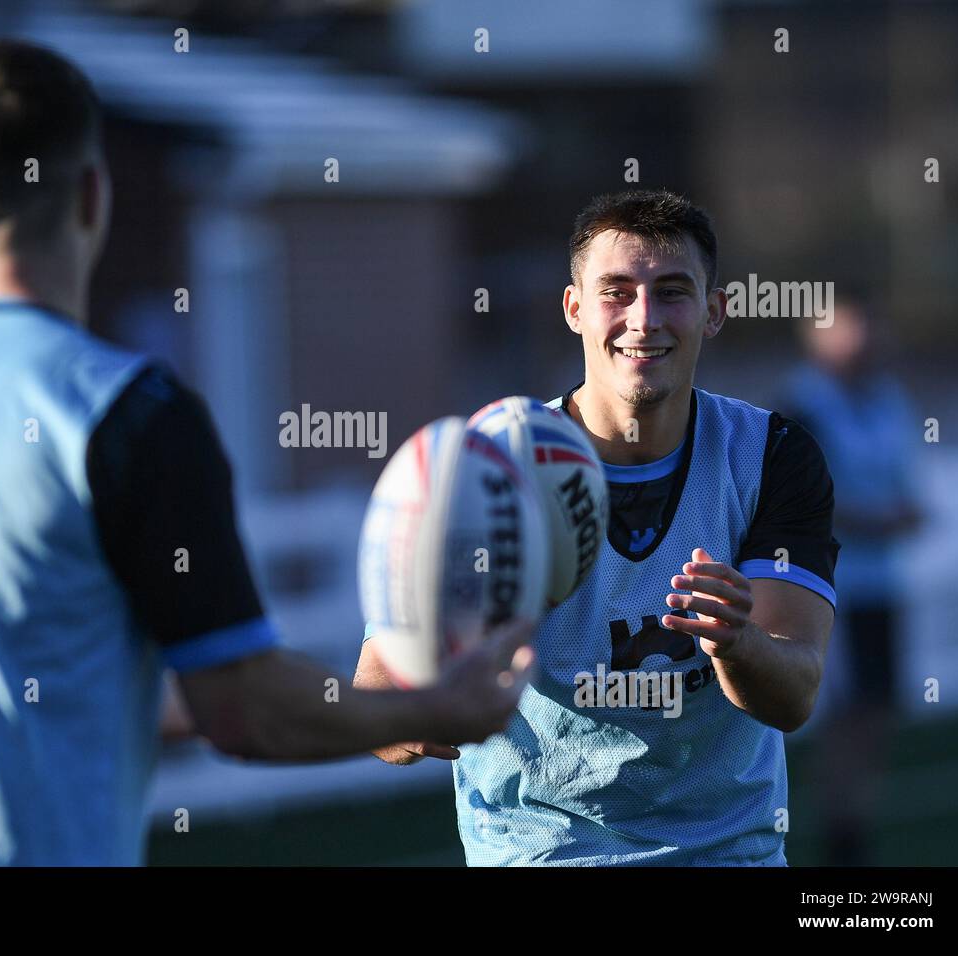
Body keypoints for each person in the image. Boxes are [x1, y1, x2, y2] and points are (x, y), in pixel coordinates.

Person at [0, 39, 532, 866]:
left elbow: (42, 679)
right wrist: (427, 712)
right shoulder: (127, 414)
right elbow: (240, 711)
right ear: (94, 195)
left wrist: (359, 702)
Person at [355, 190, 841, 866]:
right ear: (574, 308)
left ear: (715, 310)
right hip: (538, 854)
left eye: (672, 292)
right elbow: (376, 692)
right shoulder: (491, 463)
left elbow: (794, 695)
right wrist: (412, 716)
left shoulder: (770, 456)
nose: (644, 319)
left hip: (724, 855)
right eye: (617, 292)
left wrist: (738, 642)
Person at [779, 297, 923, 865]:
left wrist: (903, 515)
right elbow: (795, 504)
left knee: (876, 712)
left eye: (870, 325)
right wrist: (868, 518)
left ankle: (855, 831)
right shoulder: (801, 406)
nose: (863, 339)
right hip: (827, 593)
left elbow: (908, 489)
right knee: (837, 716)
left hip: (884, 587)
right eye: (848, 328)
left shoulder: (890, 397)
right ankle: (833, 838)